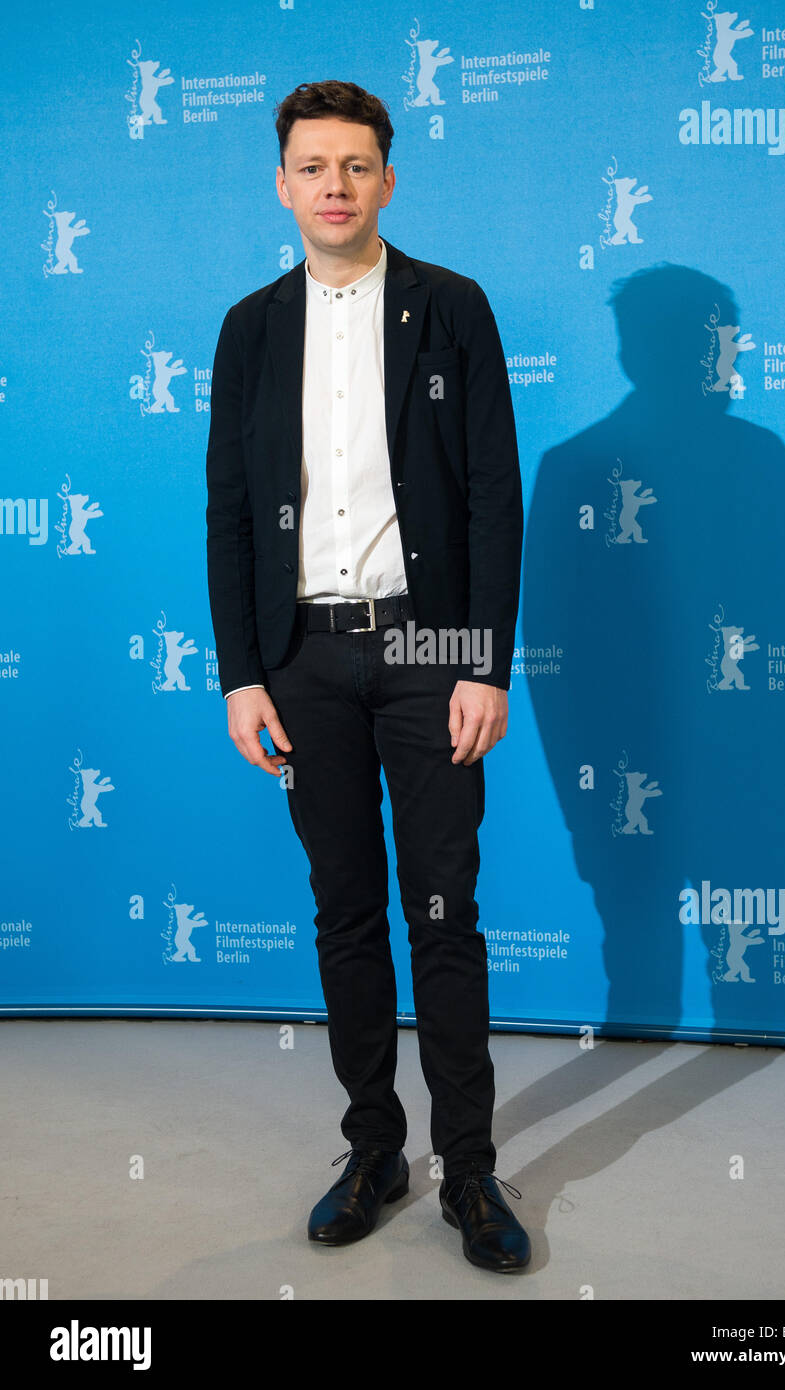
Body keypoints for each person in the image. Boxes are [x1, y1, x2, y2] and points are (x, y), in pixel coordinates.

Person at [205, 79, 529, 1273]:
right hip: (301, 657)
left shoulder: (452, 309)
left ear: (387, 179)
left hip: (430, 648)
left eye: (355, 165)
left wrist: (482, 659)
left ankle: (474, 1171)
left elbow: (493, 496)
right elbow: (229, 515)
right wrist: (244, 675)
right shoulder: (250, 327)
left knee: (444, 912)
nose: (334, 186)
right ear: (282, 184)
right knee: (345, 910)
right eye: (312, 166)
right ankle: (375, 1148)